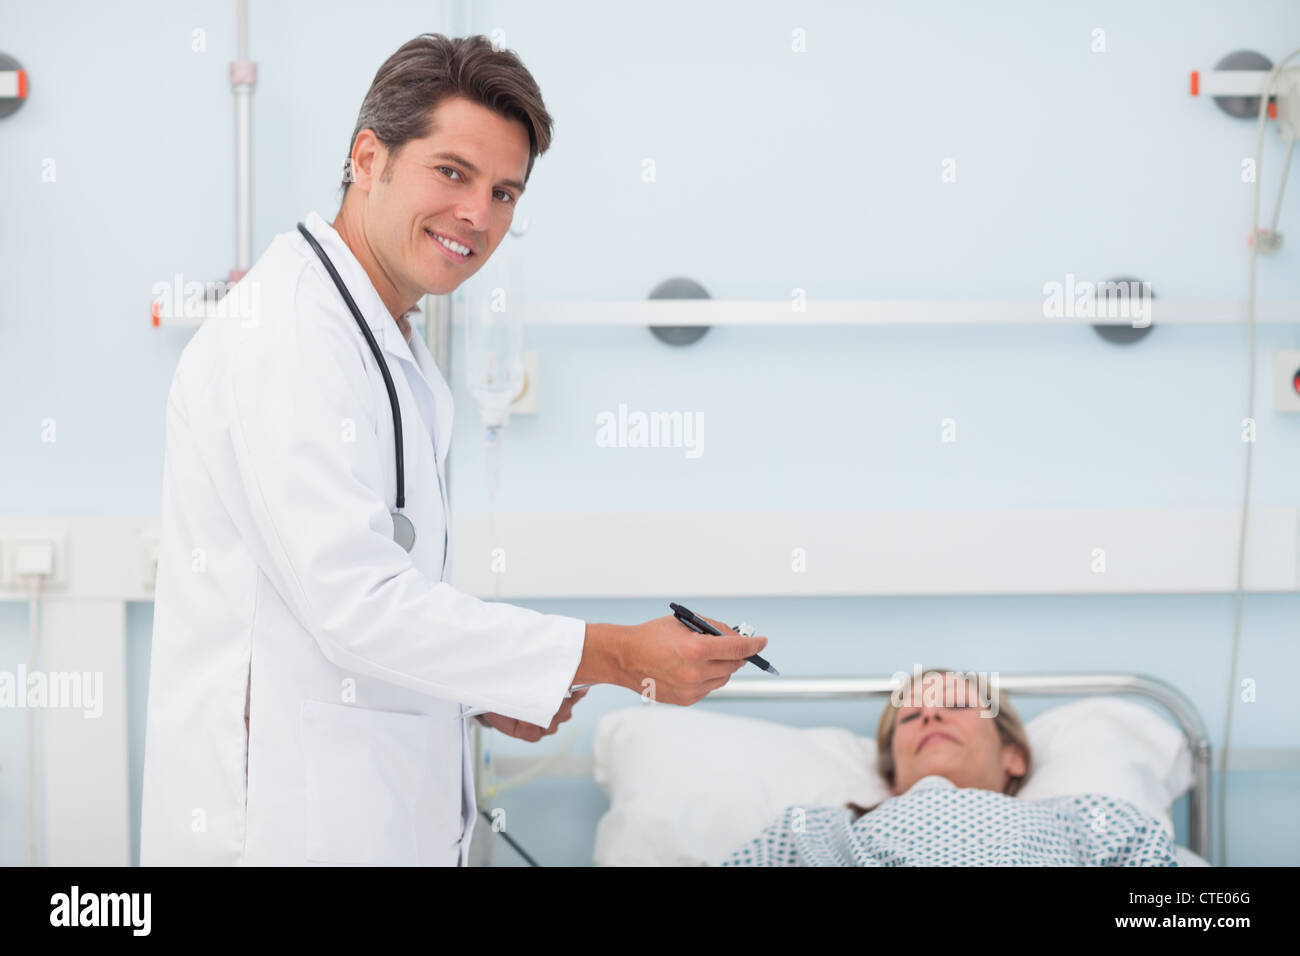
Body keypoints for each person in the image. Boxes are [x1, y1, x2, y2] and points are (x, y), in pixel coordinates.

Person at [139, 33, 766, 867]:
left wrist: (477, 695)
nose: (479, 213)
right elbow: (354, 603)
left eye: (505, 191)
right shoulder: (287, 334)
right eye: (452, 172)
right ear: (369, 158)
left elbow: (372, 607)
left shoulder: (385, 336)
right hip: (280, 829)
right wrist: (611, 653)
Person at [721, 668, 1179, 866]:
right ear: (891, 772)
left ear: (1013, 756)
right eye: (911, 716)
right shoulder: (817, 830)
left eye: (956, 705)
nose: (931, 716)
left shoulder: (1084, 820)